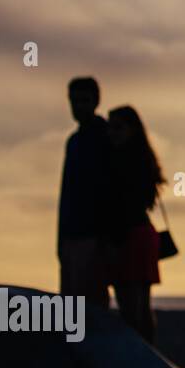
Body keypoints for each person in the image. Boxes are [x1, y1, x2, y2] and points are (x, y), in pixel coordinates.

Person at [103, 105, 165, 341]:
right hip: (143, 235)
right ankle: (149, 356)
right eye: (111, 128)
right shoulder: (143, 161)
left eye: (118, 128)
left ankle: (140, 357)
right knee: (140, 304)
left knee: (130, 306)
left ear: (132, 130)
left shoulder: (124, 163)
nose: (112, 133)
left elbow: (122, 207)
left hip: (129, 238)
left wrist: (113, 242)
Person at [57, 76, 111, 305]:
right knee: (71, 300)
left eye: (84, 101)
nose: (79, 107)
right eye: (75, 101)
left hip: (93, 235)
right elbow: (67, 191)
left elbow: (109, 189)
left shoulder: (105, 136)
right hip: (72, 232)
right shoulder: (74, 141)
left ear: (96, 101)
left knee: (90, 302)